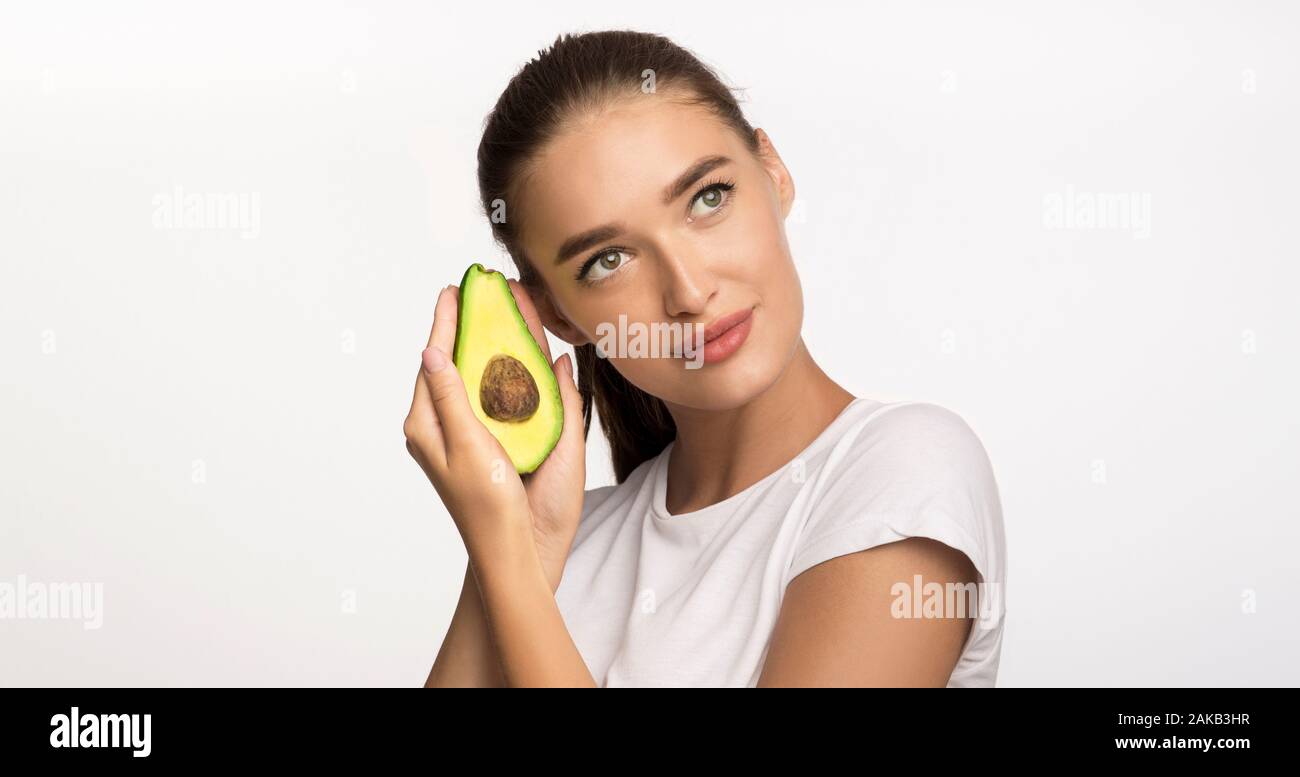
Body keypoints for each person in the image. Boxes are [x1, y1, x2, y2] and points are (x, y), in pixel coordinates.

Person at [404, 30, 1006, 687]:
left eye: (707, 198)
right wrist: (511, 549)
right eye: (609, 259)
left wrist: (510, 567)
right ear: (555, 313)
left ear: (773, 173)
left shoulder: (901, 468)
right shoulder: (557, 546)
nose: (689, 291)